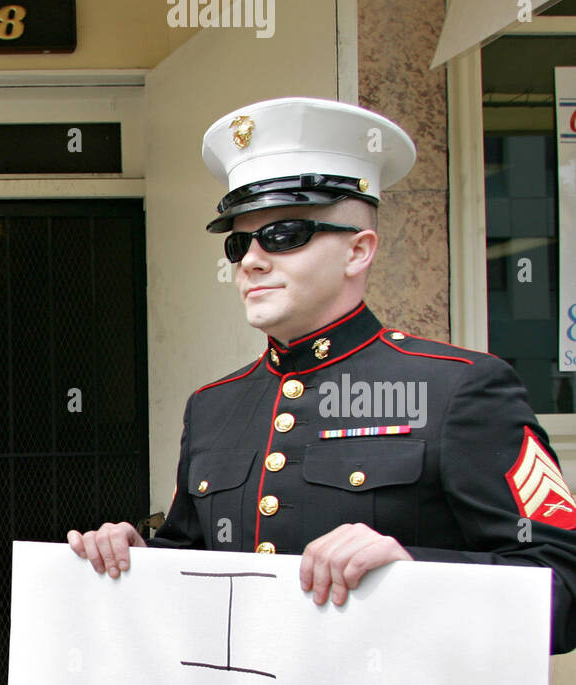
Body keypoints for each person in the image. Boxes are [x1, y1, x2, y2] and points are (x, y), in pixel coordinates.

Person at [69, 97, 576, 654]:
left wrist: (409, 569)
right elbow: (195, 557)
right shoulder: (214, 405)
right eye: (239, 243)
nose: (251, 261)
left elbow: (562, 588)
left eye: (284, 235)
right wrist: (133, 555)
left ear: (358, 251)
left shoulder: (459, 388)